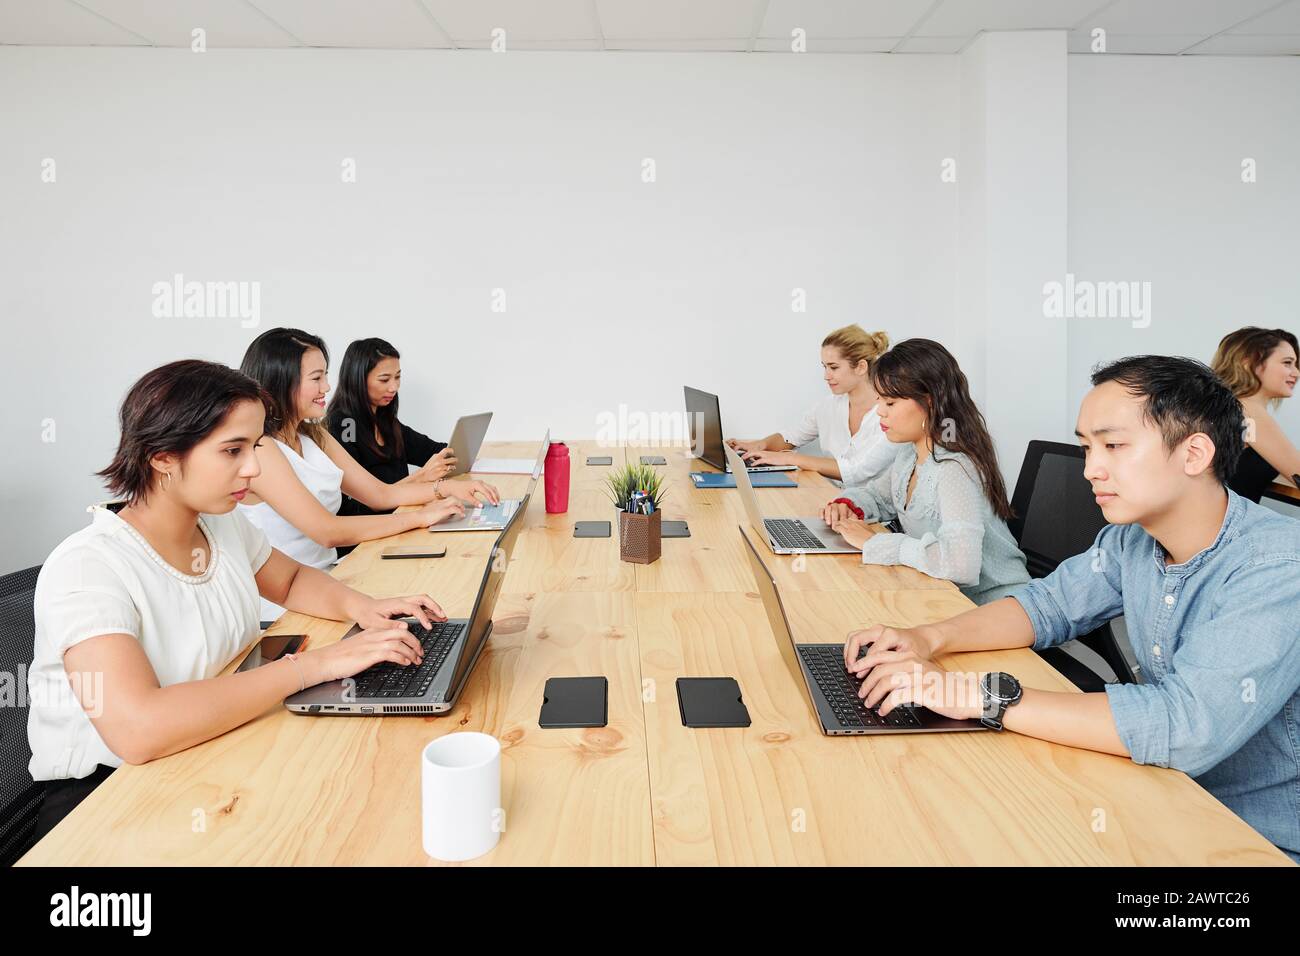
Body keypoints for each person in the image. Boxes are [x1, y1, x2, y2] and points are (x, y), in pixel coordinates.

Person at [843, 355, 1300, 863]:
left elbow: (1186, 725)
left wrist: (977, 693)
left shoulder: (1278, 565)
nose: (1091, 469)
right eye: (1087, 447)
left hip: (1253, 837)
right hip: (1158, 789)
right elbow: (1047, 605)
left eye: (1113, 445)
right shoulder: (1131, 540)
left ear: (1194, 453)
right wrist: (927, 638)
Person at [28, 360, 444, 840]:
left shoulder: (219, 522)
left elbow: (289, 582)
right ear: (163, 455)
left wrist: (363, 608)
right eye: (232, 450)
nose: (253, 468)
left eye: (254, 447)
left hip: (212, 746)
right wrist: (316, 666)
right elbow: (138, 730)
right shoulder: (88, 567)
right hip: (107, 800)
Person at [237, 328, 496, 620]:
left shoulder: (313, 435)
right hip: (288, 607)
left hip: (332, 580)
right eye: (316, 378)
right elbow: (327, 532)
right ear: (282, 382)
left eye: (325, 375)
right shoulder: (260, 449)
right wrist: (419, 517)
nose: (326, 387)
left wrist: (446, 490)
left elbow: (380, 494)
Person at [819, 338, 1029, 605]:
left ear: (928, 401)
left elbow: (960, 564)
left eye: (890, 403)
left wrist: (876, 544)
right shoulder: (909, 453)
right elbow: (879, 497)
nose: (879, 412)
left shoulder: (954, 468)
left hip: (994, 606)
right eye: (879, 400)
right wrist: (848, 505)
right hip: (942, 596)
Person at [726, 325, 898, 484]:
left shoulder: (891, 414)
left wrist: (790, 459)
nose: (826, 376)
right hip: (831, 500)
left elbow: (857, 469)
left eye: (834, 367)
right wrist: (759, 445)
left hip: (870, 510)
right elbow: (792, 436)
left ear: (861, 367)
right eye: (824, 367)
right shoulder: (828, 406)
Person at [1210, 326, 1299, 502]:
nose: (1296, 373)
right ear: (1249, 363)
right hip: (1222, 527)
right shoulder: (1247, 412)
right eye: (1287, 363)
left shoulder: (1232, 408)